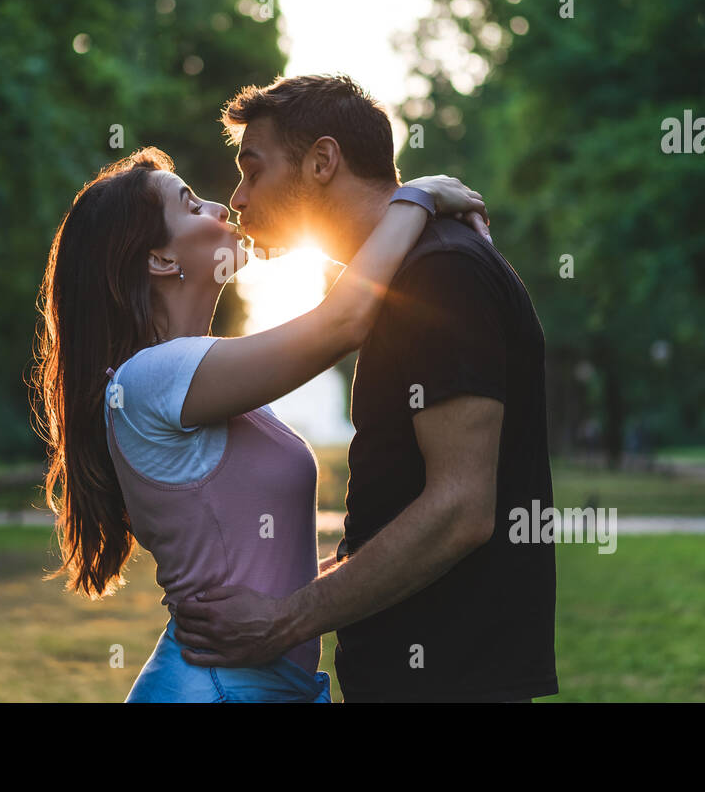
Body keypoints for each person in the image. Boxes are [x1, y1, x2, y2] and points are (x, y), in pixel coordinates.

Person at [31, 144, 485, 701]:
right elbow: (342, 322)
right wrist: (417, 196)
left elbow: (256, 560)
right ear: (160, 260)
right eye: (191, 205)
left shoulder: (203, 380)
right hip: (215, 688)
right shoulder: (153, 377)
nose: (221, 208)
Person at [173, 74, 559, 703]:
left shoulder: (441, 273)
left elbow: (461, 510)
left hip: (451, 683)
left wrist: (286, 620)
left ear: (323, 160)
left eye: (253, 168)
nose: (237, 198)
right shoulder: (407, 273)